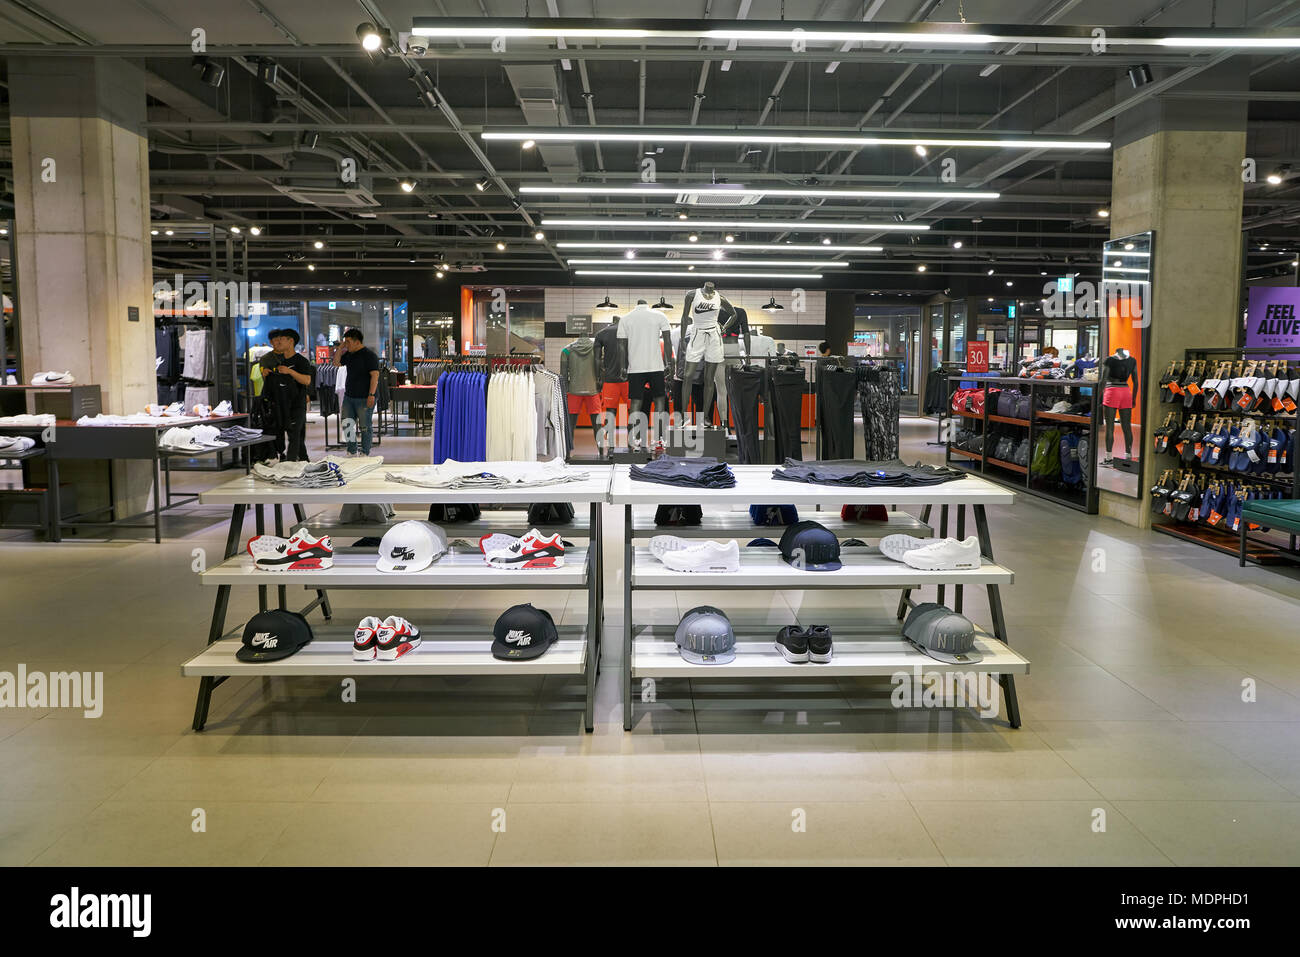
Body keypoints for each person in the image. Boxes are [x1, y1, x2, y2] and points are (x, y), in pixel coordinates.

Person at [259, 328, 313, 461]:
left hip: (297, 405)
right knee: (297, 436)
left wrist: (290, 372)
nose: (278, 342)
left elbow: (307, 380)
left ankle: (290, 463)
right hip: (282, 405)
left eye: (281, 339)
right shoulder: (279, 362)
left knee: (294, 435)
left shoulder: (301, 361)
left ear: (291, 341)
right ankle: (304, 460)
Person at [335, 327, 380, 456]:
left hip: (365, 397)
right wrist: (340, 348)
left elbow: (375, 376)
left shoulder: (369, 355)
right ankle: (351, 450)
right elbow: (336, 363)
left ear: (357, 341)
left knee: (365, 426)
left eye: (348, 342)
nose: (346, 344)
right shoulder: (349, 354)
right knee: (347, 423)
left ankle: (365, 452)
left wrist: (371, 394)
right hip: (349, 396)